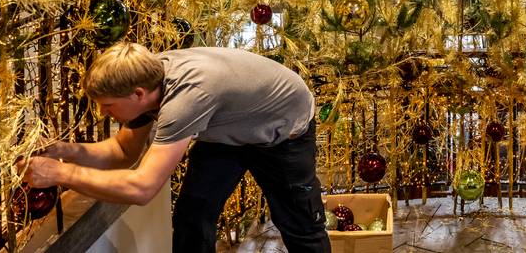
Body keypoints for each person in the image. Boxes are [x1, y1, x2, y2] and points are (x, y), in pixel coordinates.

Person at [18, 43, 330, 253]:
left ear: (138, 94)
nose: (102, 113)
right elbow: (122, 152)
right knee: (192, 216)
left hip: (283, 128)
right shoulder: (148, 81)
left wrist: (60, 173)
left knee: (299, 223)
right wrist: (66, 151)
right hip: (226, 132)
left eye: (107, 106)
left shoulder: (185, 100)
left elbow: (141, 188)